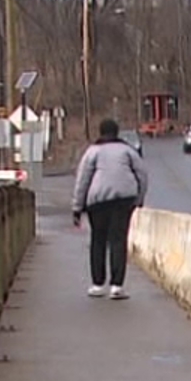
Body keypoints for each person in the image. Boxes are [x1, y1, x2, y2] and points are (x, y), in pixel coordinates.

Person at [72, 118, 149, 300]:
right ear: (117, 132)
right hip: (123, 199)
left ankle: (98, 284)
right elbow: (142, 175)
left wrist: (77, 207)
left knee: (98, 240)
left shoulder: (93, 152)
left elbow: (83, 180)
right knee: (118, 240)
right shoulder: (128, 151)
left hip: (98, 201)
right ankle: (117, 286)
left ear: (100, 132)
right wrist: (138, 199)